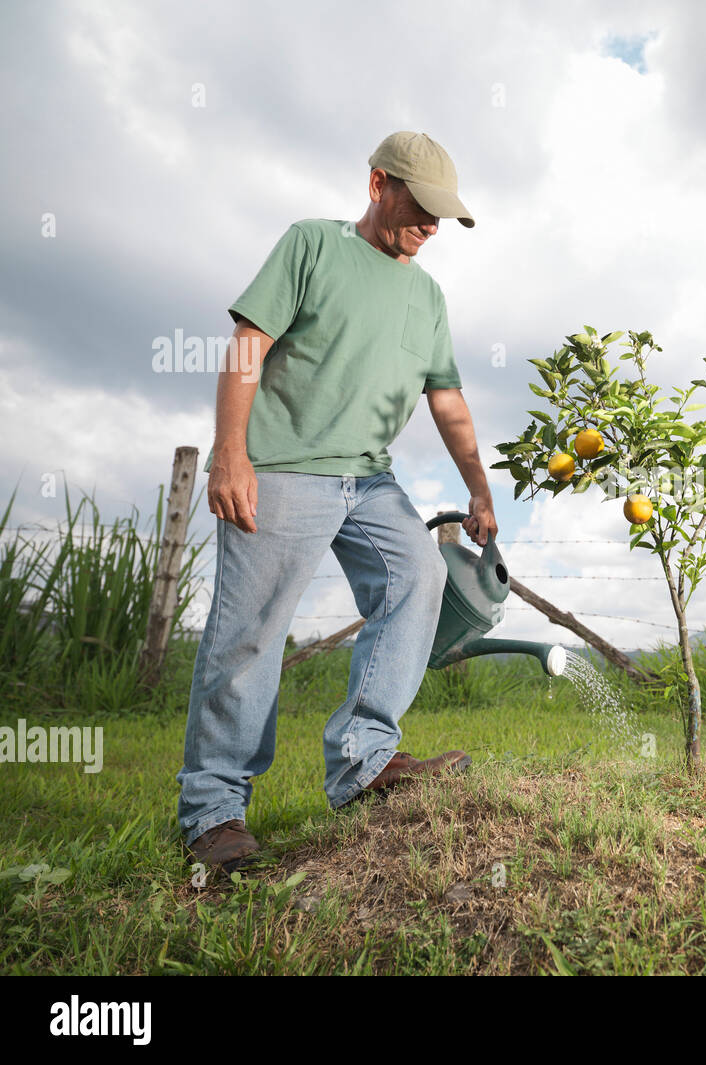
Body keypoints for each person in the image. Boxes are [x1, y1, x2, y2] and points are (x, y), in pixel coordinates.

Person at [177, 132, 497, 876]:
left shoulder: (428, 295)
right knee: (251, 633)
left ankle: (364, 760)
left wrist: (479, 486)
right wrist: (230, 452)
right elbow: (248, 344)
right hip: (282, 467)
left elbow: (447, 399)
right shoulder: (312, 246)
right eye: (421, 207)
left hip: (370, 478)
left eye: (443, 215)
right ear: (379, 184)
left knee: (419, 573)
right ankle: (213, 811)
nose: (432, 226)